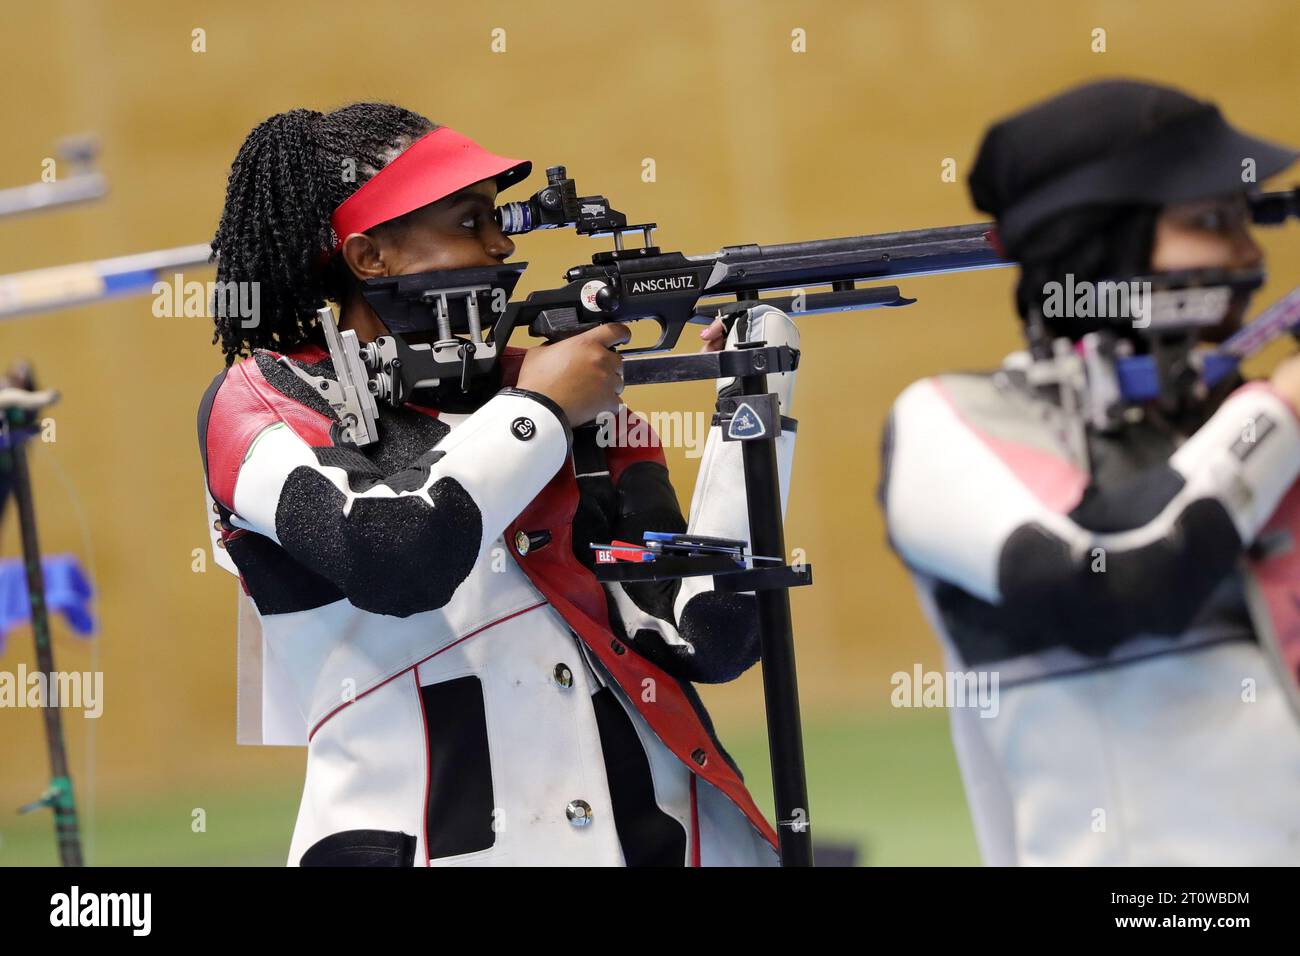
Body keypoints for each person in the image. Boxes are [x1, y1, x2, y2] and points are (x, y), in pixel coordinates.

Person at [196, 103, 800, 866]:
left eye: (498, 217)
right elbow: (393, 554)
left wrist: (754, 410)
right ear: (368, 256)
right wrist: (539, 409)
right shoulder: (264, 399)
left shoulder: (557, 397)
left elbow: (706, 636)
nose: (501, 243)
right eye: (469, 220)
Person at [879, 79, 1300, 865]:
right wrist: (1278, 417)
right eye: (1211, 222)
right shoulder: (952, 420)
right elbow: (1113, 582)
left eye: (1248, 221)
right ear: (1098, 249)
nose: (1250, 256)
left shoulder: (1245, 418)